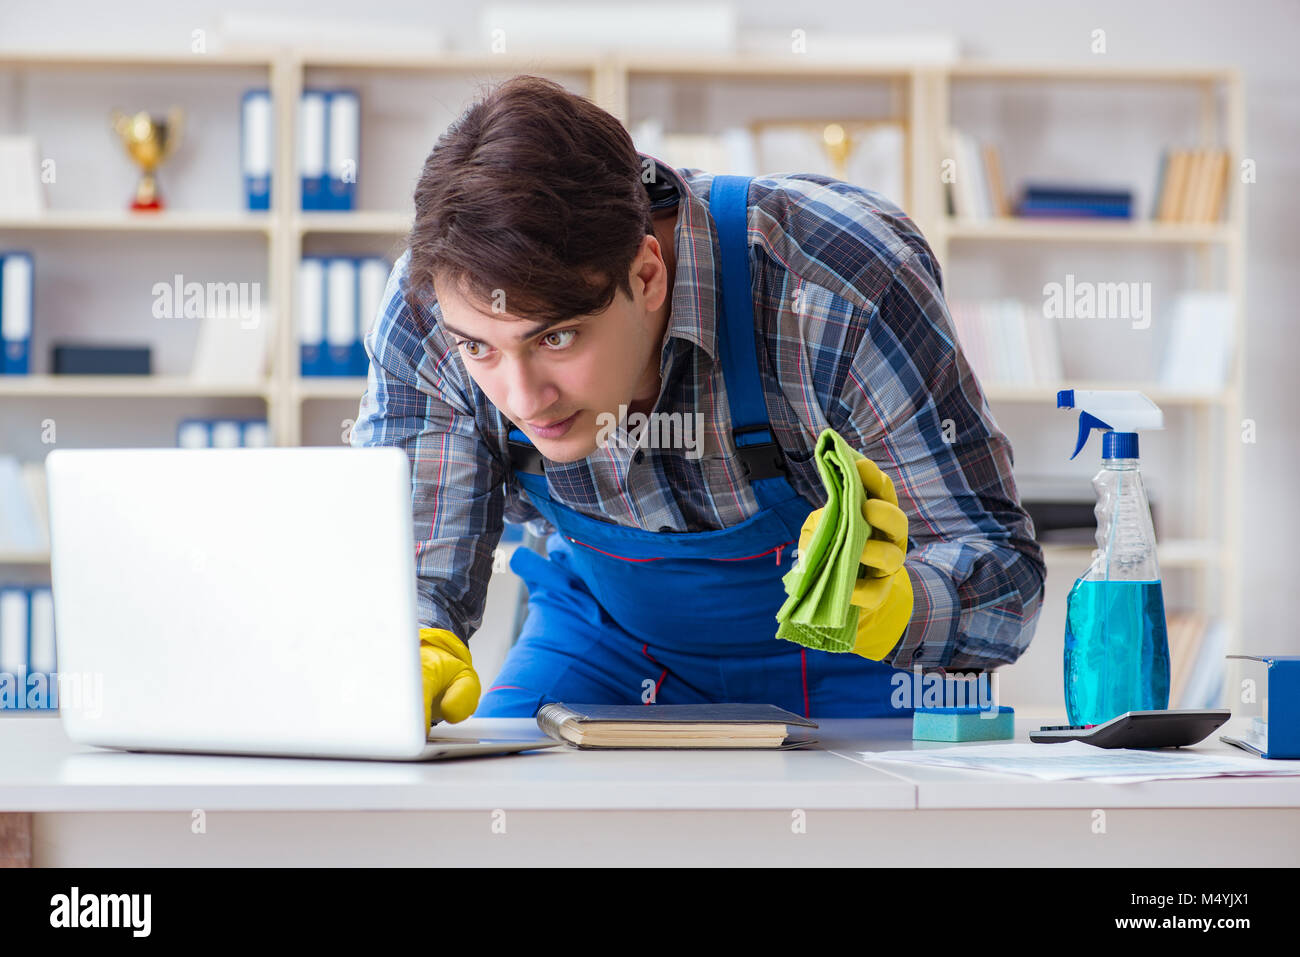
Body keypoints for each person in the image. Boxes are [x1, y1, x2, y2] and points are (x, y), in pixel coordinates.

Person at [350, 75, 1045, 727]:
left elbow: (1003, 578)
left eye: (557, 338)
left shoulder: (838, 289)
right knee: (493, 819)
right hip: (606, 642)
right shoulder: (433, 307)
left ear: (647, 275)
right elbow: (416, 578)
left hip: (854, 655)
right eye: (481, 351)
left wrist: (901, 606)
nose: (522, 397)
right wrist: (405, 640)